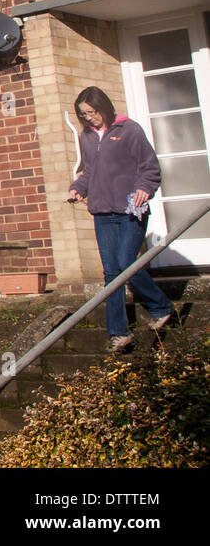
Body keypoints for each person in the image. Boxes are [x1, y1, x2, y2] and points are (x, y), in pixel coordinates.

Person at [67, 86, 174, 353]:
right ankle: (118, 333)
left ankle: (160, 306)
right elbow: (90, 170)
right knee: (111, 273)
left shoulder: (129, 130)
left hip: (129, 211)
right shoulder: (87, 137)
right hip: (103, 213)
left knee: (126, 264)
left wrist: (144, 188)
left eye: (92, 112)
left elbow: (150, 166)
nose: (89, 118)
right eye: (83, 114)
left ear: (103, 107)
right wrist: (78, 188)